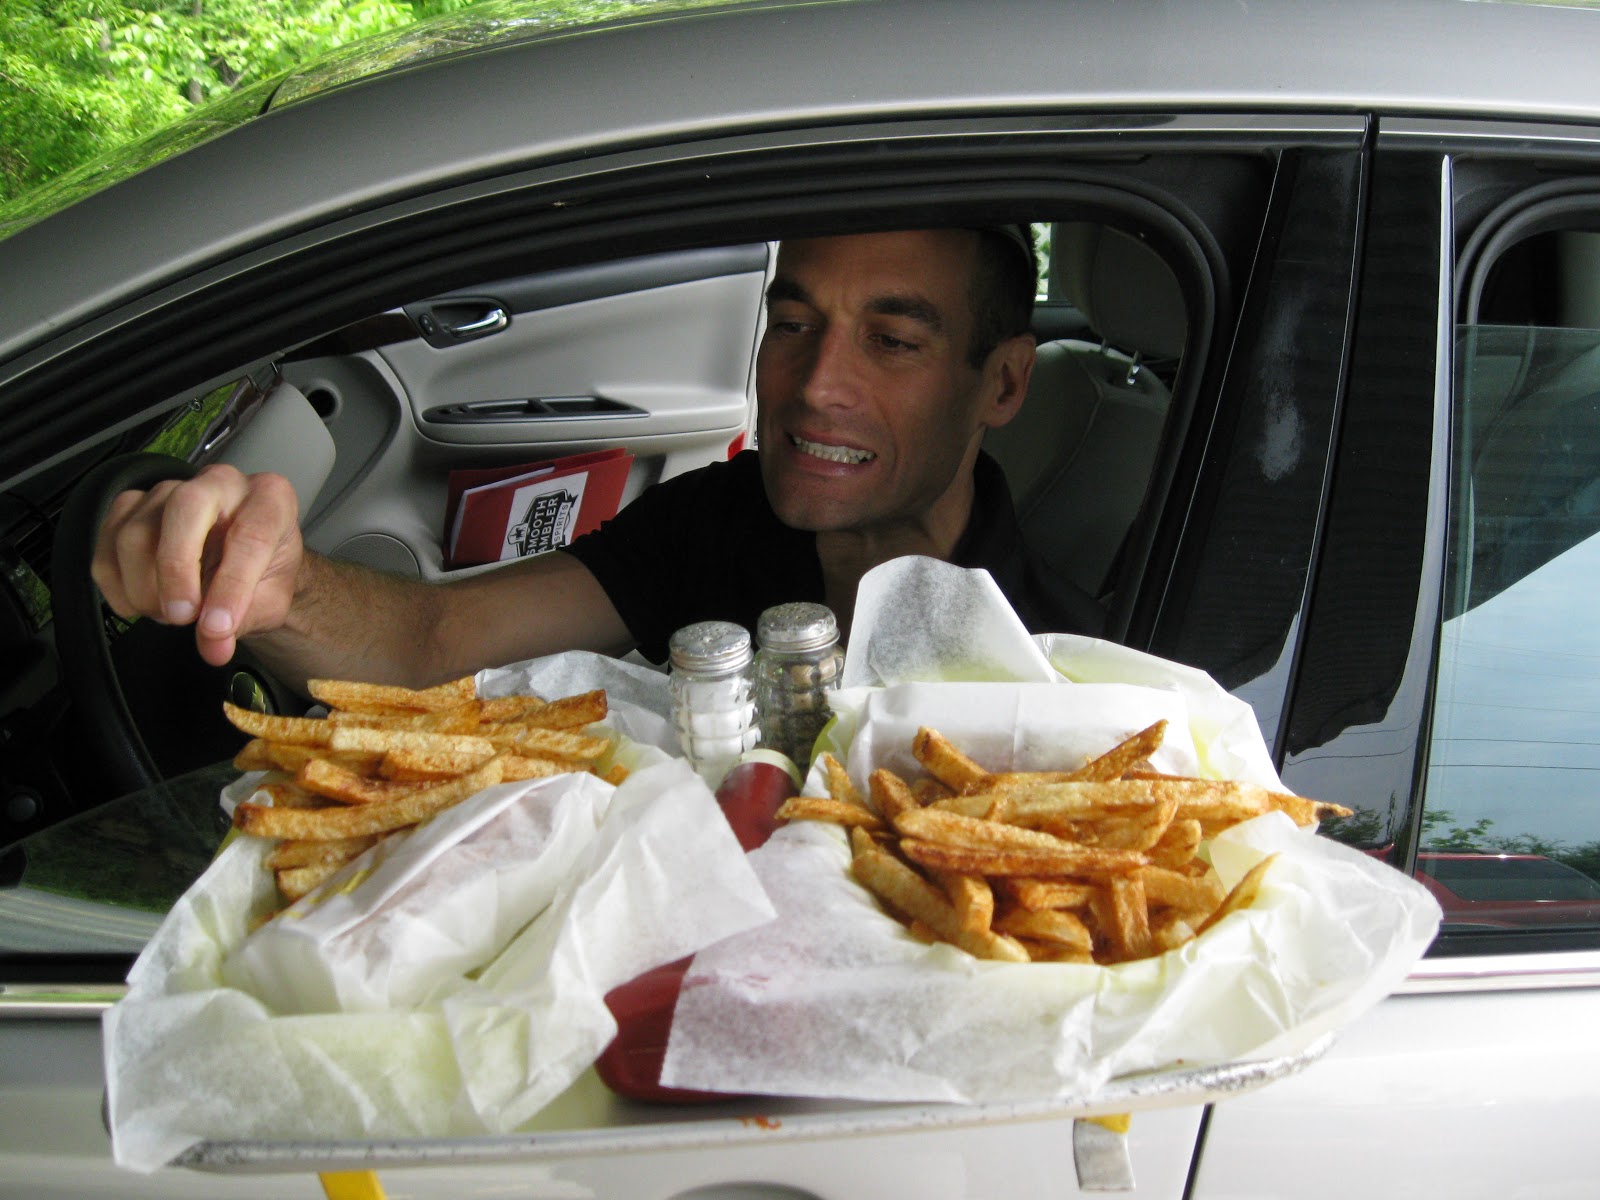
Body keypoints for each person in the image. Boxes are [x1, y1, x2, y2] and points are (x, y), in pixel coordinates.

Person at [92, 226, 1102, 692]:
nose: (815, 384)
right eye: (792, 322)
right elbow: (432, 637)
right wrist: (274, 585)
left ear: (1002, 384)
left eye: (893, 341)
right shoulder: (721, 515)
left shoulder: (1050, 657)